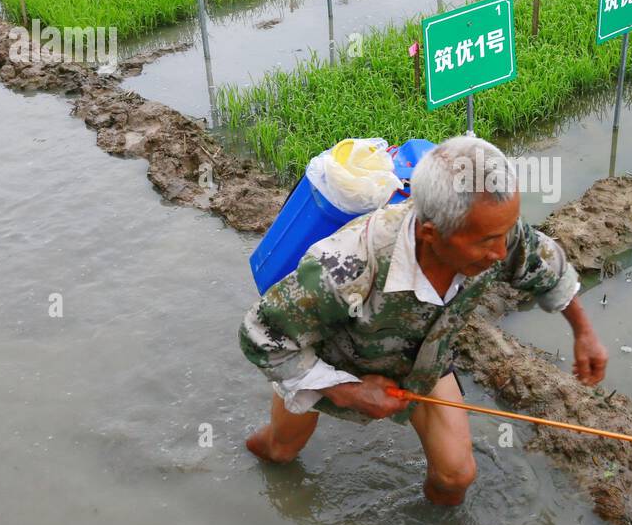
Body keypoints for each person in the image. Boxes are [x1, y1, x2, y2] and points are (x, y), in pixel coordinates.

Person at [240, 135, 608, 506]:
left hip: (421, 357)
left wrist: (584, 333)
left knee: (455, 476)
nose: (501, 254)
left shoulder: (497, 235)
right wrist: (348, 391)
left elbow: (545, 266)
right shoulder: (346, 266)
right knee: (278, 451)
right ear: (432, 234)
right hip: (329, 358)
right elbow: (259, 336)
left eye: (506, 234)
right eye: (486, 242)